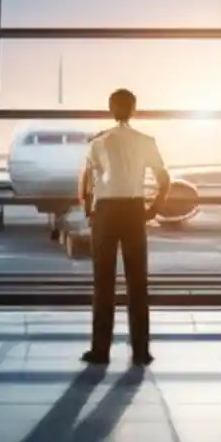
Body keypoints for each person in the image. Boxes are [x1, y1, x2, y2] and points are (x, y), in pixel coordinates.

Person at [78, 88, 170, 367]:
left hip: (105, 213)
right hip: (134, 211)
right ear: (134, 109)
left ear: (110, 109)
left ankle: (100, 351)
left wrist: (89, 212)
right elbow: (164, 179)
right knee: (137, 283)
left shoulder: (98, 142)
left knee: (102, 284)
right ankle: (141, 352)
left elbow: (86, 183)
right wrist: (153, 208)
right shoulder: (146, 141)